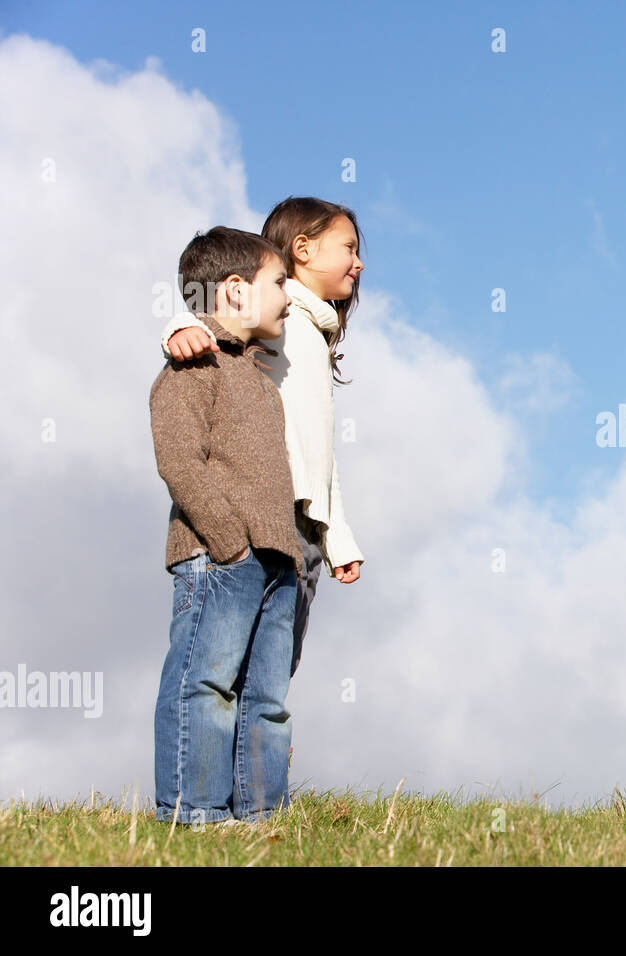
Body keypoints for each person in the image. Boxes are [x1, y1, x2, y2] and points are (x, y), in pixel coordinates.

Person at [159, 197, 365, 679]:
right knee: (231, 673)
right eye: (349, 247)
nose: (359, 263)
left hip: (305, 527)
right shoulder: (278, 307)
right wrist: (178, 330)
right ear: (303, 248)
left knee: (270, 679)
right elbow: (209, 314)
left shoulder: (311, 327)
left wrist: (338, 537)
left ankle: (262, 757)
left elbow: (321, 452)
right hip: (266, 512)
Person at [149, 226, 303, 826]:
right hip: (220, 558)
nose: (288, 296)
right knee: (205, 687)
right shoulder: (190, 364)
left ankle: (262, 819)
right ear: (236, 290)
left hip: (276, 559)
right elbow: (178, 460)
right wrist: (228, 542)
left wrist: (277, 550)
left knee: (266, 700)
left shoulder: (262, 380)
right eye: (278, 283)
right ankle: (196, 814)